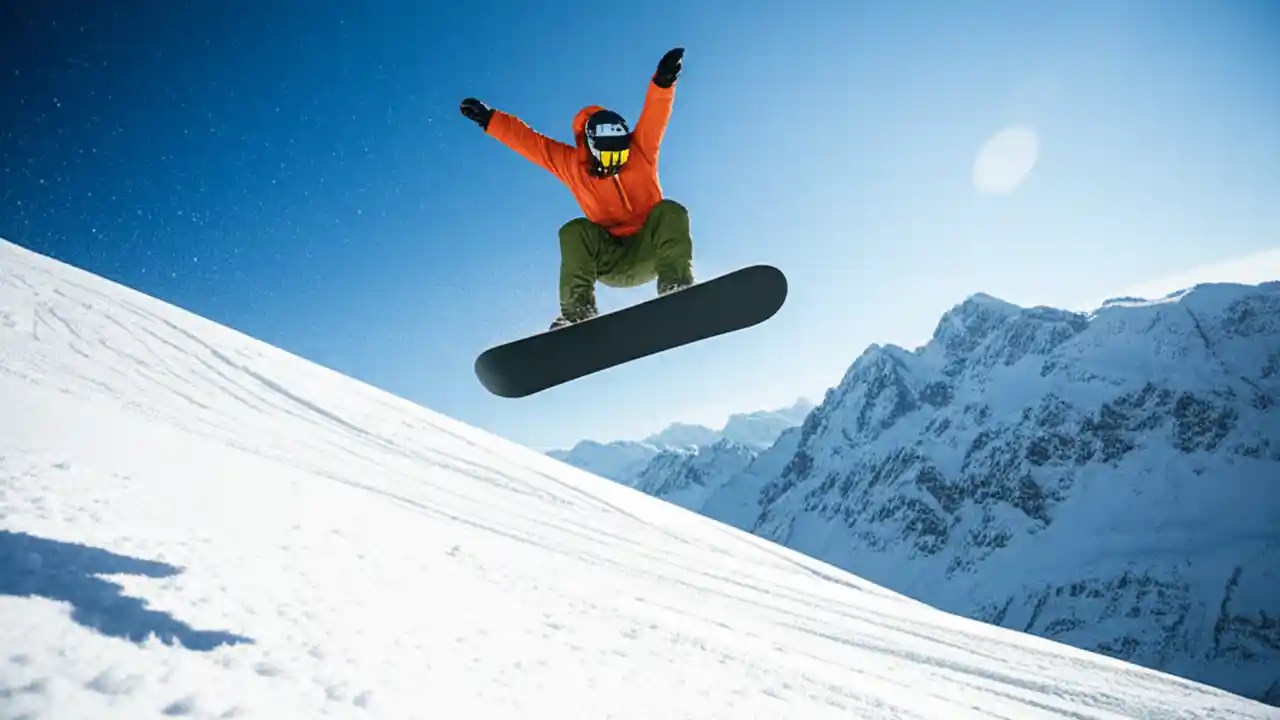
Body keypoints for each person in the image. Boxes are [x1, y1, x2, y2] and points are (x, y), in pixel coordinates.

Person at [460, 48, 694, 330]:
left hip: (655, 251)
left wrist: (664, 81)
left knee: (670, 211)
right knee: (575, 230)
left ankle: (677, 286)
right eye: (608, 158)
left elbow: (655, 114)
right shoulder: (573, 166)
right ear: (593, 149)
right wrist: (490, 119)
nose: (616, 164)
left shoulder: (641, 149)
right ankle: (578, 312)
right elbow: (532, 144)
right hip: (613, 260)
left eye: (620, 156)